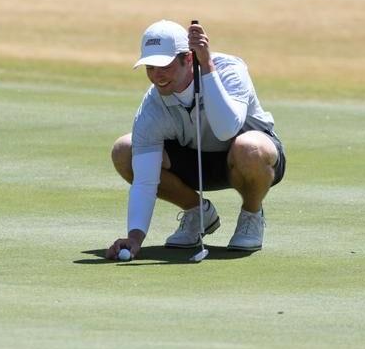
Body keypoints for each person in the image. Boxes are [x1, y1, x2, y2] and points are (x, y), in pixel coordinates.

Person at [106, 20, 286, 260]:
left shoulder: (229, 70)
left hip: (250, 160)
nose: (156, 76)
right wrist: (134, 237)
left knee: (249, 148)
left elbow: (226, 130)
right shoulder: (152, 107)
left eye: (164, 66)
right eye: (150, 67)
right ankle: (197, 213)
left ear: (188, 59)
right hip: (195, 164)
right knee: (125, 150)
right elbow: (145, 181)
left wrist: (208, 66)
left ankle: (251, 215)